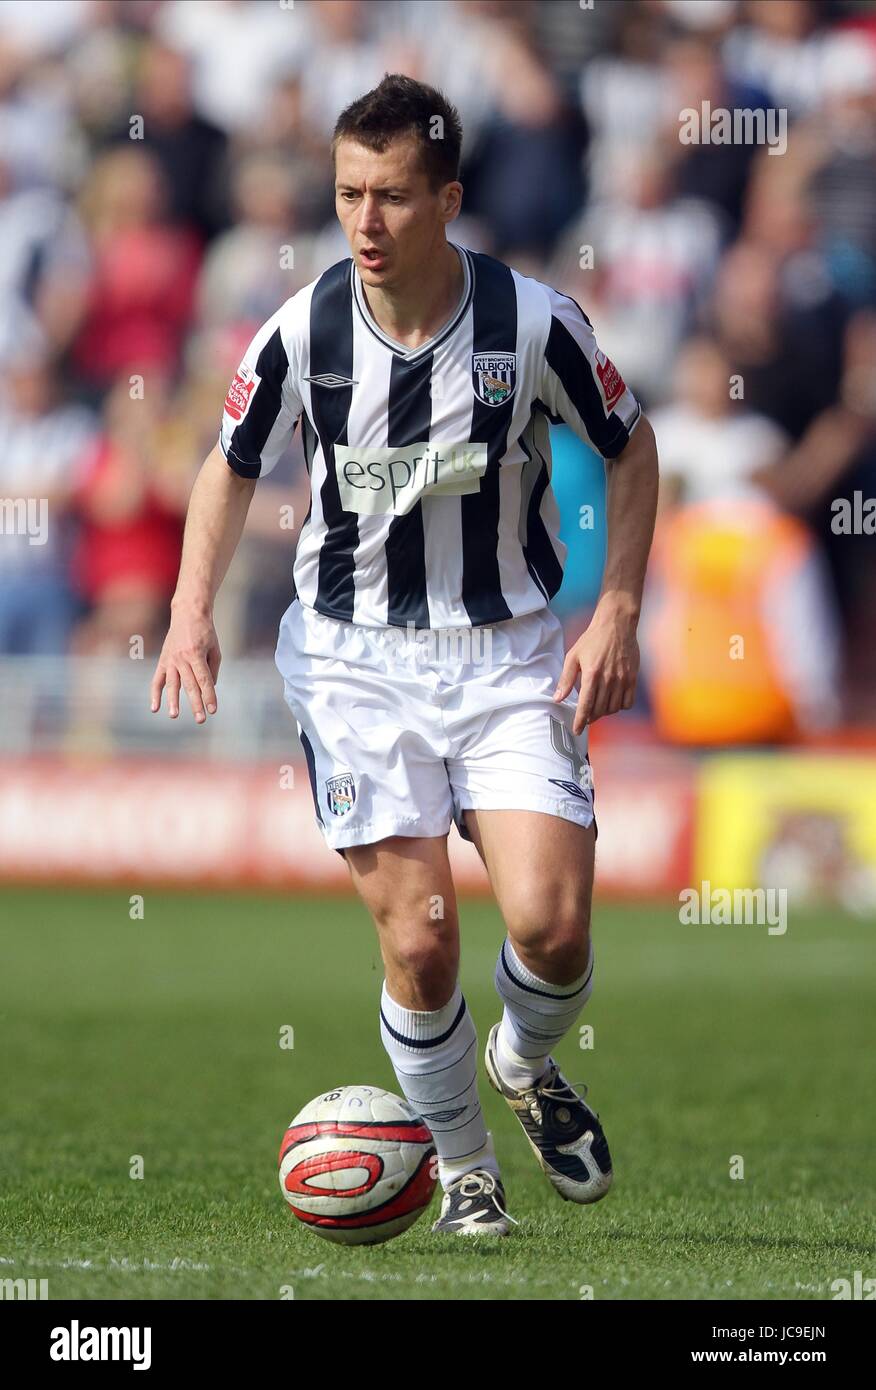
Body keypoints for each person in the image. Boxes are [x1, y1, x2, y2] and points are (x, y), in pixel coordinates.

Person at [151, 75, 658, 1236]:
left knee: (552, 926)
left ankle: (523, 1062)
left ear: (448, 198)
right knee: (423, 941)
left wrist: (619, 602)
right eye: (347, 195)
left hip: (510, 654)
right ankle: (466, 1171)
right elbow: (228, 463)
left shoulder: (533, 324)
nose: (365, 222)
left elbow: (631, 450)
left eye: (390, 196)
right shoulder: (304, 330)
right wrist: (190, 610)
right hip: (356, 662)